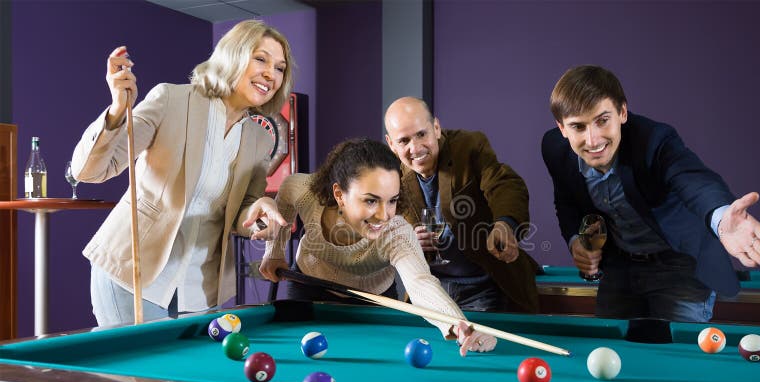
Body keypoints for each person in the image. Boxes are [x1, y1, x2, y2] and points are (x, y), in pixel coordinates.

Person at [71, 20, 290, 326]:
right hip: (132, 274)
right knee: (138, 374)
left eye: (280, 68)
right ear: (232, 55)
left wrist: (260, 209)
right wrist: (117, 111)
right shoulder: (171, 100)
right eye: (261, 59)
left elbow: (242, 212)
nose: (271, 74)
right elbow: (91, 171)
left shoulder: (260, 138)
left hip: (199, 291)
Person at [541, 65, 760, 322]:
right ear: (562, 128)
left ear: (622, 112)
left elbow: (694, 181)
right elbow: (565, 201)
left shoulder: (653, 140)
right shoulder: (555, 149)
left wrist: (721, 219)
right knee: (613, 351)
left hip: (679, 263)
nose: (593, 140)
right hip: (620, 266)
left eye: (602, 120)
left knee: (679, 356)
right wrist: (575, 239)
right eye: (578, 127)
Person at [256, 138, 496, 356]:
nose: (384, 215)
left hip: (374, 300)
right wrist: (274, 251)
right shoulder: (307, 193)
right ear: (339, 194)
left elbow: (420, 282)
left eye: (392, 200)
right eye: (371, 200)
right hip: (309, 286)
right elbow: (286, 192)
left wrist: (457, 323)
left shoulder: (396, 232)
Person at [383, 97, 540, 313]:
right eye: (404, 141)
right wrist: (407, 240)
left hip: (482, 287)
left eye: (421, 134)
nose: (416, 148)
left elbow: (504, 184)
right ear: (391, 144)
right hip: (431, 291)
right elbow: (383, 228)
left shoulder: (468, 146)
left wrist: (505, 224)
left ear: (436, 128)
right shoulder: (390, 176)